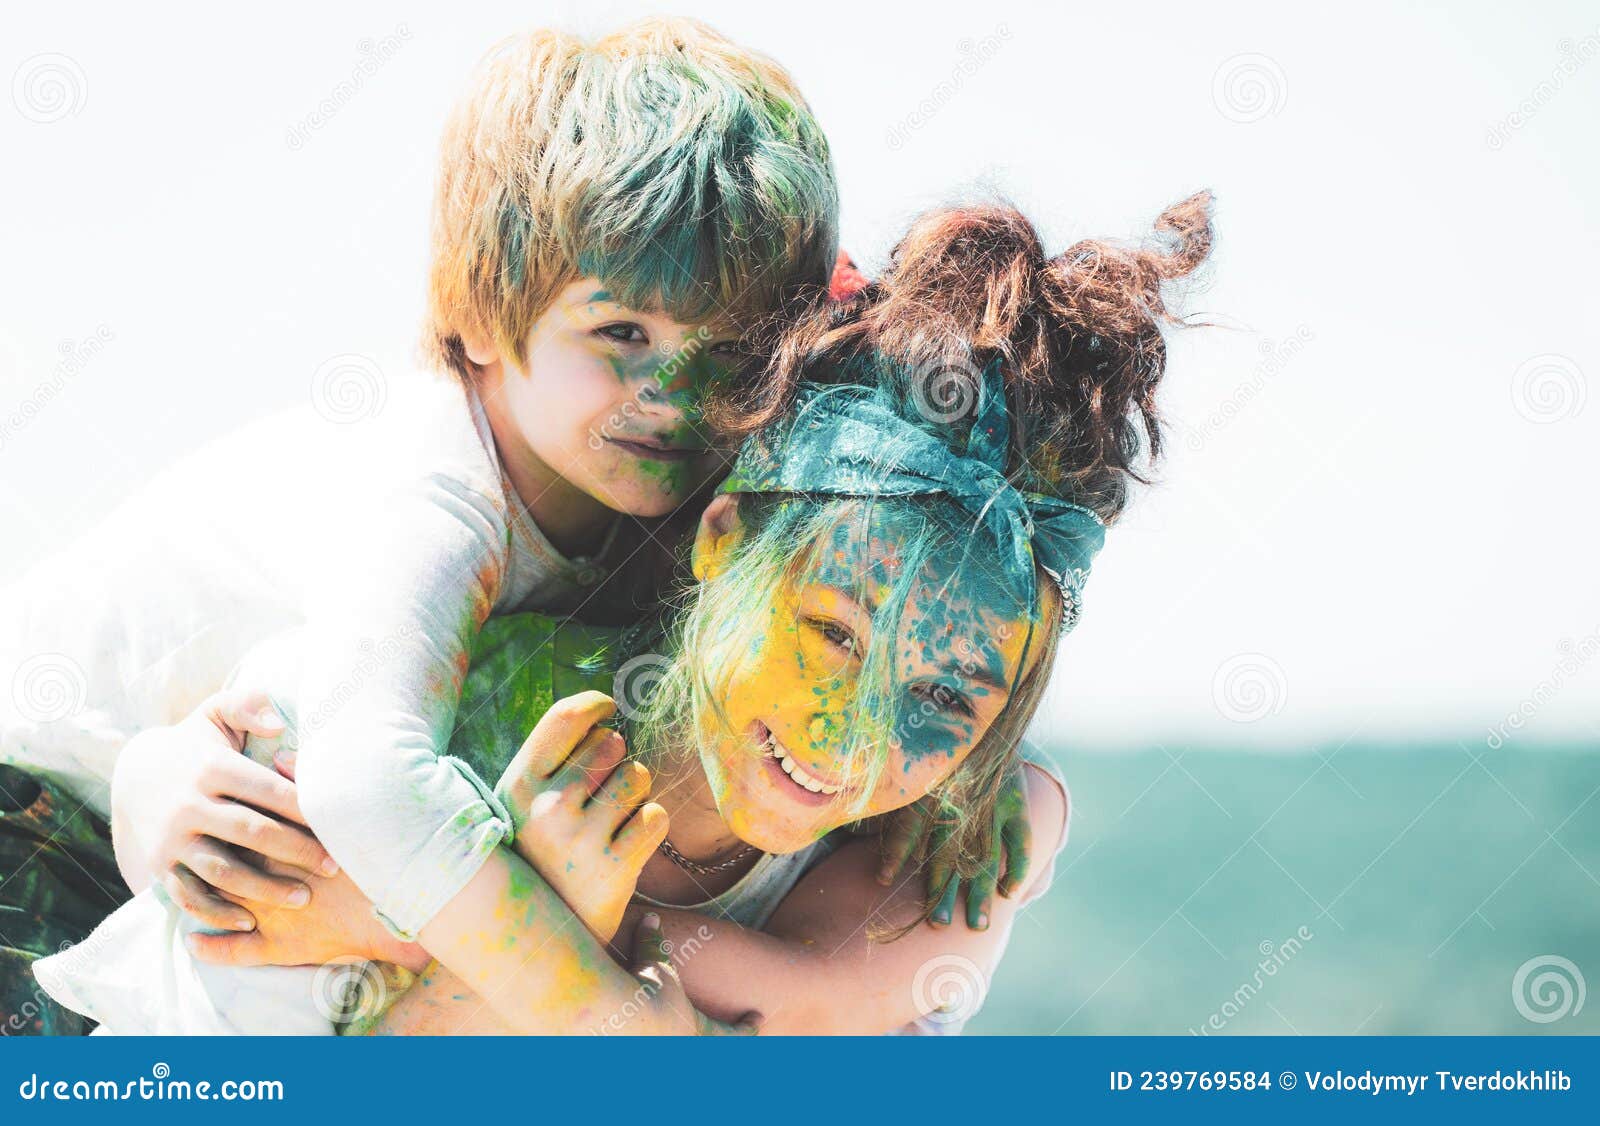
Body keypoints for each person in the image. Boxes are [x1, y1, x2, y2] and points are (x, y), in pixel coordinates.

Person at [55, 192, 1213, 1035]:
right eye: (828, 633)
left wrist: (561, 929)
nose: (853, 733)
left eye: (947, 698)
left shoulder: (926, 872)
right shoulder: (443, 706)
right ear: (719, 542)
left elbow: (828, 1003)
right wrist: (156, 787)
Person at [0, 16, 837, 1031]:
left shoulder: (634, 484)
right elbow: (368, 788)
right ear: (482, 315)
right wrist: (610, 1022)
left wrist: (975, 781)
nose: (675, 391)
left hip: (176, 854)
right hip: (39, 810)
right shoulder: (434, 495)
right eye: (622, 331)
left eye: (732, 350)